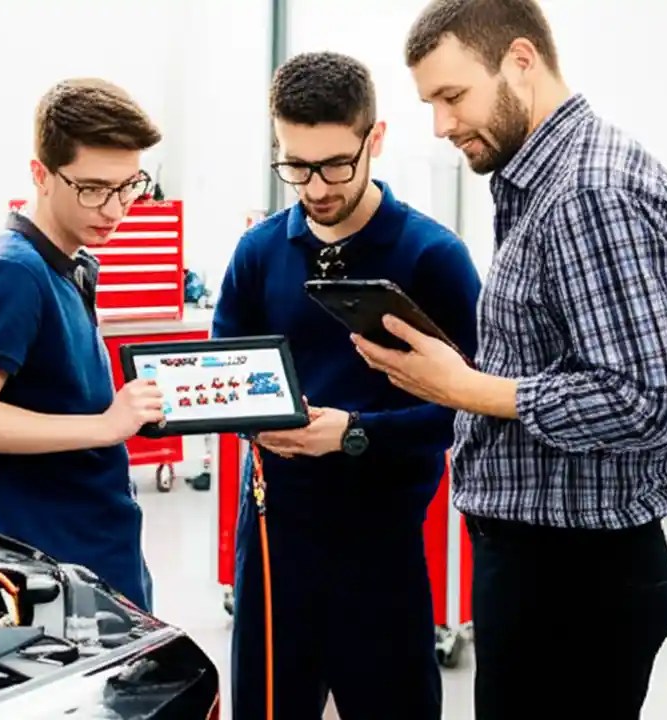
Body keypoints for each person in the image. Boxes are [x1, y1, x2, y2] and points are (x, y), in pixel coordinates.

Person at [352, 1, 667, 717]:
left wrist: (469, 389)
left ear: (520, 60)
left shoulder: (589, 192)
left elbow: (652, 401)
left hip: (576, 578)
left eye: (453, 97)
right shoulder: (541, 184)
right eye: (430, 104)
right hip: (549, 565)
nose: (442, 126)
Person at [213, 51, 482, 720]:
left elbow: (474, 408)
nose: (315, 186)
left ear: (376, 139)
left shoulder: (432, 258)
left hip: (381, 547)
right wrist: (247, 413)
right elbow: (220, 374)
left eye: (335, 164)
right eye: (295, 166)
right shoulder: (258, 253)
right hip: (276, 540)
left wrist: (356, 434)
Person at [0, 78, 165, 612]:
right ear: (40, 174)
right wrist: (106, 425)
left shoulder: (75, 263)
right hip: (53, 573)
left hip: (99, 545)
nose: (115, 209)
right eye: (92, 188)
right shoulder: (14, 271)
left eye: (128, 186)